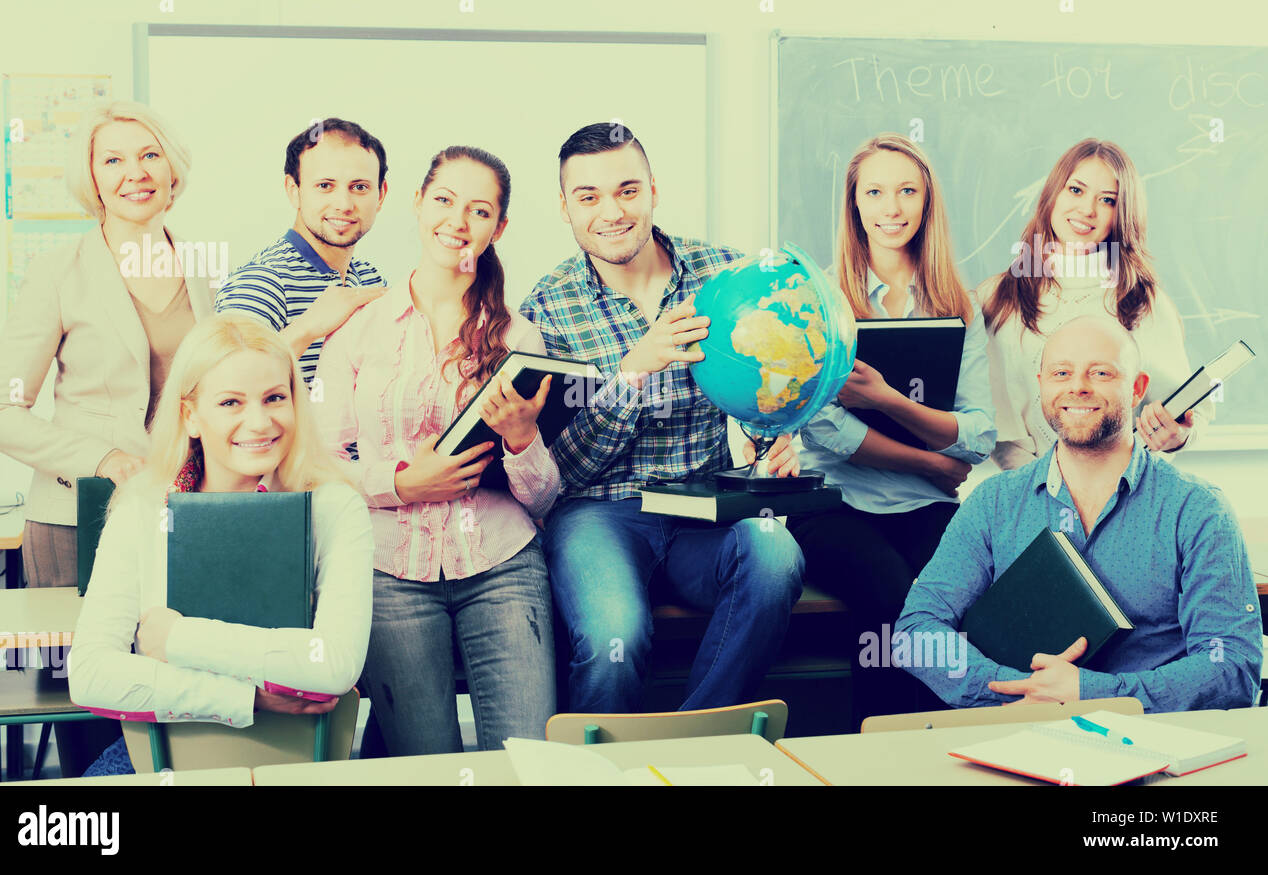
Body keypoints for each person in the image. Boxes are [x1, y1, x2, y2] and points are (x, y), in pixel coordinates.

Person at [519, 122, 805, 714]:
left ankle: (698, 739)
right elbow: (559, 466)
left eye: (627, 190)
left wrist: (772, 439)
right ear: (565, 207)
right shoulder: (544, 309)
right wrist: (632, 373)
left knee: (777, 553)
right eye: (588, 196)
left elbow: (764, 380)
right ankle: (596, 773)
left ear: (653, 189)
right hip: (599, 512)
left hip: (705, 505)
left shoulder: (723, 275)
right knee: (612, 641)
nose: (612, 212)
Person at [0, 99, 214, 776]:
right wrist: (104, 459)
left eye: (148, 154)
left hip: (182, 517)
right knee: (94, 707)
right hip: (79, 524)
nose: (134, 172)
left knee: (175, 697)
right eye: (113, 159)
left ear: (172, 169)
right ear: (92, 178)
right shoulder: (59, 271)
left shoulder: (201, 269)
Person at [317, 146, 558, 755]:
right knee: (426, 764)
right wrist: (402, 483)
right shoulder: (361, 327)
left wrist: (523, 439)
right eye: (445, 201)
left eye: (479, 211)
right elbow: (314, 469)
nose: (458, 221)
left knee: (526, 759)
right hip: (389, 571)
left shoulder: (518, 336)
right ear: (417, 202)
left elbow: (545, 497)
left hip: (502, 565)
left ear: (498, 228)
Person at [895, 315, 1261, 712]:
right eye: (1061, 372)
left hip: (1152, 743)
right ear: (1041, 386)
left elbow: (1233, 667)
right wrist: (1019, 690)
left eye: (1101, 372)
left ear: (1137, 388)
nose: (1078, 386)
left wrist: (1094, 693)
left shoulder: (1198, 510)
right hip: (1015, 733)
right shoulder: (993, 503)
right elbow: (917, 632)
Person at [68, 313, 374, 774]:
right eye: (231, 402)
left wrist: (176, 639)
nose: (259, 421)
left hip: (296, 759)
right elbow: (90, 674)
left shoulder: (335, 506)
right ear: (190, 415)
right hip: (162, 755)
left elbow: (332, 666)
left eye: (275, 397)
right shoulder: (143, 508)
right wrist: (247, 697)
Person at [791, 134, 996, 721]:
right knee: (888, 598)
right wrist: (931, 460)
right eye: (875, 192)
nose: (892, 208)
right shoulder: (822, 301)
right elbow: (826, 429)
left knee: (958, 602)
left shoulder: (958, 303)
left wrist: (886, 399)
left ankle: (943, 752)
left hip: (924, 504)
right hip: (832, 502)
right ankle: (882, 755)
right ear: (854, 205)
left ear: (927, 202)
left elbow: (979, 433)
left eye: (908, 191)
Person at [978, 138, 1212, 470]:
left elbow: (1191, 412)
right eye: (1076, 190)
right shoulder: (996, 297)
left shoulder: (1141, 298)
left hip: (1123, 494)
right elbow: (998, 425)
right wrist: (1039, 491)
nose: (1087, 209)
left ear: (1121, 214)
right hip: (1027, 494)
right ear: (1052, 195)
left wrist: (1178, 435)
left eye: (1107, 200)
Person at [215, 117, 389, 385]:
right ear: (293, 191)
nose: (343, 204)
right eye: (325, 186)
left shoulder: (371, 280)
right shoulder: (260, 281)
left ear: (381, 195)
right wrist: (308, 327)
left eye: (359, 187)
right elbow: (228, 387)